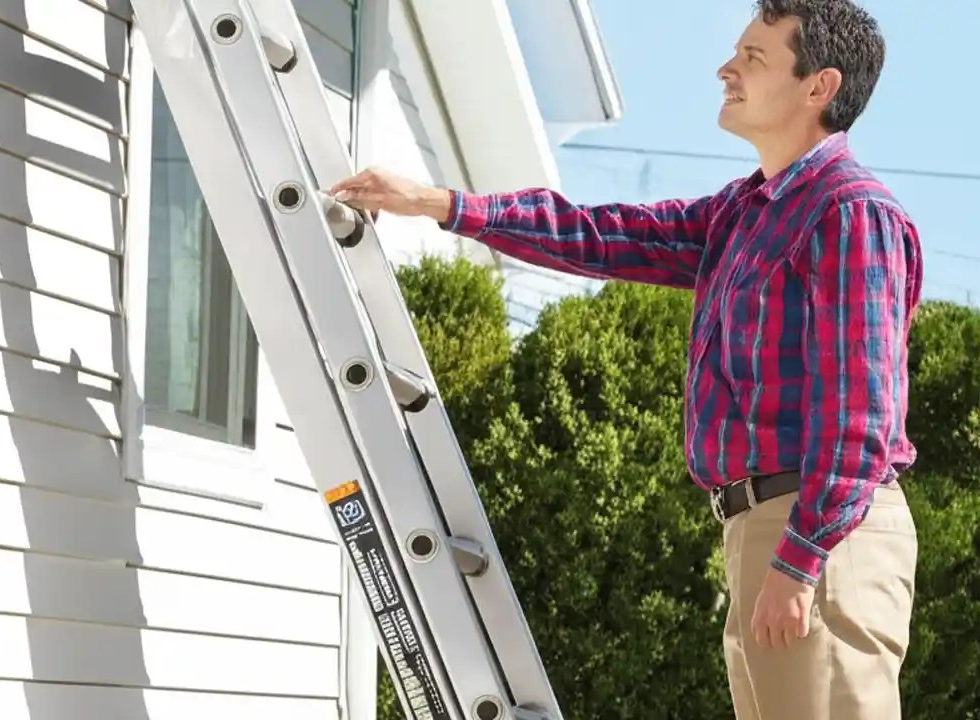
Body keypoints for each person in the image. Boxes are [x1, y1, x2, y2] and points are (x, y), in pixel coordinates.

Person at [331, 0, 922, 717]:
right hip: (766, 527)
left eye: (754, 57)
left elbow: (858, 416)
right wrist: (441, 204)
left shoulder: (849, 213)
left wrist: (800, 559)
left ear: (818, 87)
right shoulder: (744, 213)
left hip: (820, 536)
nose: (725, 69)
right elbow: (598, 235)